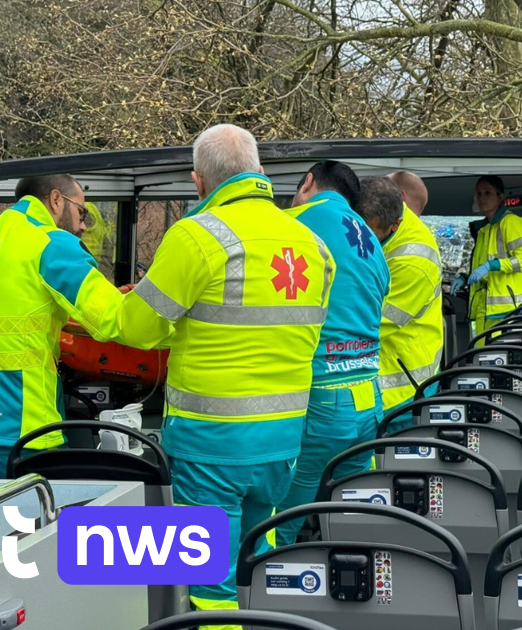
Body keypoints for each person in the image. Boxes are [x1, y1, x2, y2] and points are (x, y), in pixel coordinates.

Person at [113, 124, 335, 622]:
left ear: (198, 182)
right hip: (282, 445)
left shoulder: (196, 237)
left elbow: (137, 328)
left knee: (209, 584)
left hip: (210, 446)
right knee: (259, 566)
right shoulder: (313, 245)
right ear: (259, 171)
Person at [0, 174, 129, 470]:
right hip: (22, 431)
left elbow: (17, 311)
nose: (82, 225)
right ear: (55, 200)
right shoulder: (50, 243)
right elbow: (116, 319)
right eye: (82, 212)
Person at [271, 162, 390, 547]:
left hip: (322, 395)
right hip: (366, 397)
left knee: (280, 518)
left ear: (308, 182)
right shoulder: (372, 243)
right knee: (351, 517)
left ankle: (263, 593)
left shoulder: (297, 223)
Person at [361, 175, 444, 431]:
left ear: (394, 224)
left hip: (401, 389)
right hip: (377, 375)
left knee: (387, 465)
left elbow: (374, 324)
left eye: (369, 231)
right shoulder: (381, 219)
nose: (360, 237)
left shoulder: (415, 261)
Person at [451, 175, 522, 336]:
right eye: (479, 194)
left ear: (500, 197)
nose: (482, 198)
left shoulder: (510, 222)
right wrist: (466, 278)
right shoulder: (484, 229)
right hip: (486, 307)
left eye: (487, 193)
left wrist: (492, 266)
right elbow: (482, 267)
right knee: (481, 356)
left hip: (508, 311)